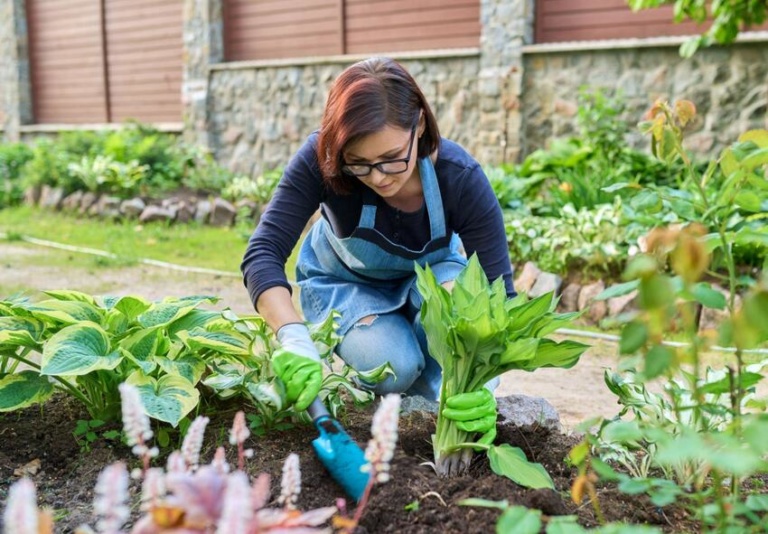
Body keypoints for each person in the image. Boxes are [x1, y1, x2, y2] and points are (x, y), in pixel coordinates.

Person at [241, 58, 515, 421]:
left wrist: (484, 381)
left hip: (432, 277)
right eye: (359, 163)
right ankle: (405, 391)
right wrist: (293, 337)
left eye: (391, 159)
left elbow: (499, 291)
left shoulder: (458, 177)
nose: (379, 177)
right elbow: (263, 252)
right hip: (344, 284)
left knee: (455, 318)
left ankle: (434, 404)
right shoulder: (319, 160)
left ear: (418, 125)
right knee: (393, 368)